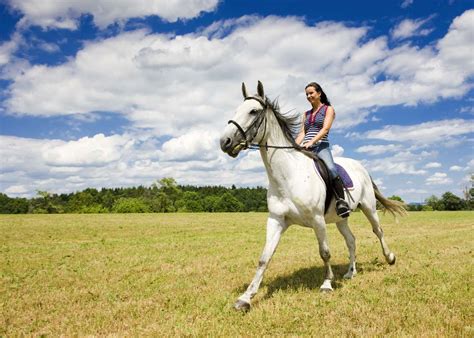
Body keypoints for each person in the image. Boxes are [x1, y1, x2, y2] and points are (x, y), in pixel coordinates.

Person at [295, 82, 351, 218]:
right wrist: (295, 145)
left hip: (321, 146)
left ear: (319, 93)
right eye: (307, 94)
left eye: (311, 93)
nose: (308, 96)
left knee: (331, 169)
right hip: (306, 147)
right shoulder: (306, 114)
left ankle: (341, 202)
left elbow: (325, 128)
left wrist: (312, 142)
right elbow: (302, 132)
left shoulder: (328, 109)